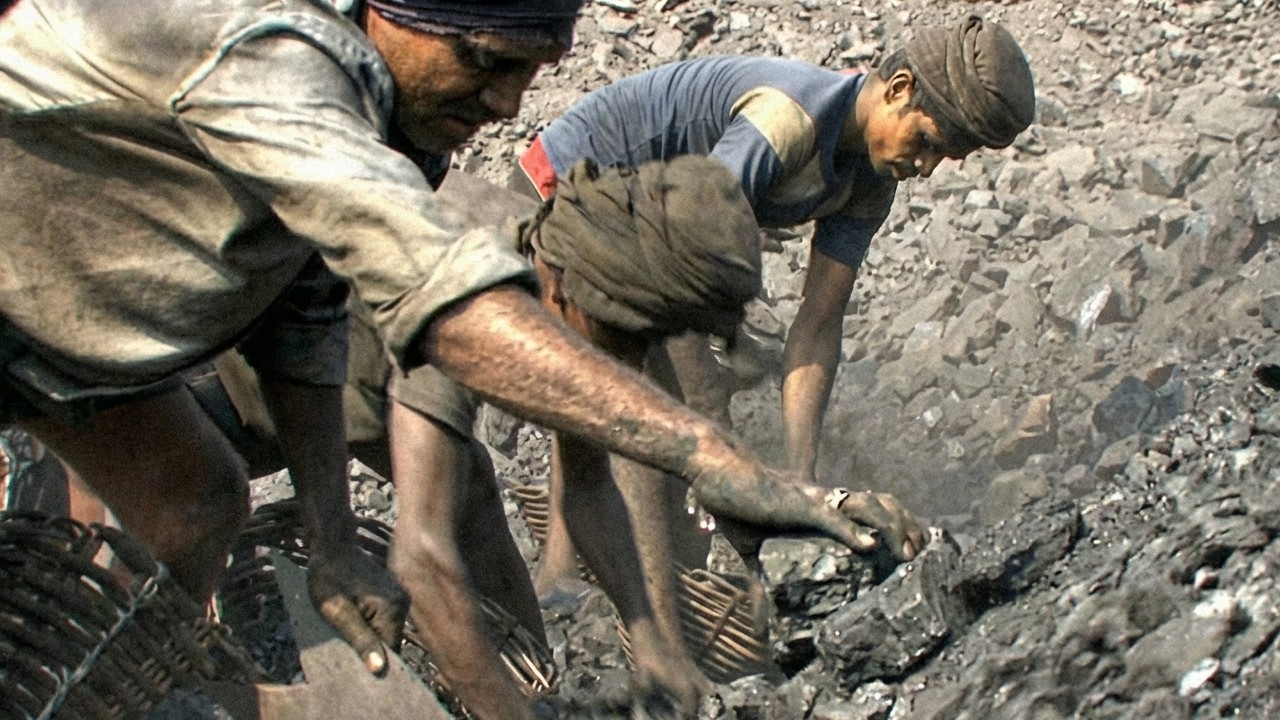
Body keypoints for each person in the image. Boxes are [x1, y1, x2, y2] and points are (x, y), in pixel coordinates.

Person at [0, 1, 925, 718]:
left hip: (90, 337)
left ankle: (129, 681)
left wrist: (329, 536)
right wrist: (709, 455)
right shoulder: (277, 68)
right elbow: (430, 553)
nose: (509, 104)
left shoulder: (392, 129)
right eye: (489, 60)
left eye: (531, 71)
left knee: (199, 504)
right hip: (68, 311)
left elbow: (308, 302)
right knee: (131, 538)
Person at [518, 15, 1037, 594]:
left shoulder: (869, 182)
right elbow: (681, 257)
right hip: (572, 188)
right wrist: (728, 441)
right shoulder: (786, 121)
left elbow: (817, 325)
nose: (925, 167)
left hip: (655, 228)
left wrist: (802, 483)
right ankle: (576, 584)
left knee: (679, 413)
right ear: (898, 90)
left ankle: (638, 572)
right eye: (926, 143)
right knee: (659, 398)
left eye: (944, 159)